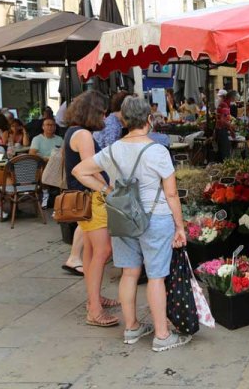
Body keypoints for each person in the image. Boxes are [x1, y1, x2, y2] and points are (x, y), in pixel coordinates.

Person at [73, 96, 191, 352]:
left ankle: (132, 327)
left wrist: (106, 189)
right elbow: (171, 194)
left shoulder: (113, 149)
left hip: (123, 216)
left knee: (129, 273)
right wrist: (180, 226)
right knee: (157, 277)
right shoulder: (157, 151)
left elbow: (79, 171)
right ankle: (161, 335)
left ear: (124, 120)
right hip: (156, 218)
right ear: (149, 119)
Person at [63, 90, 119, 325]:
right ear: (93, 112)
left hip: (83, 199)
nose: (104, 117)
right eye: (102, 112)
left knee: (90, 251)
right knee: (103, 251)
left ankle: (93, 298)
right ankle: (94, 310)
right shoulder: (84, 135)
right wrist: (109, 190)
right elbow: (91, 169)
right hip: (93, 197)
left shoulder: (71, 131)